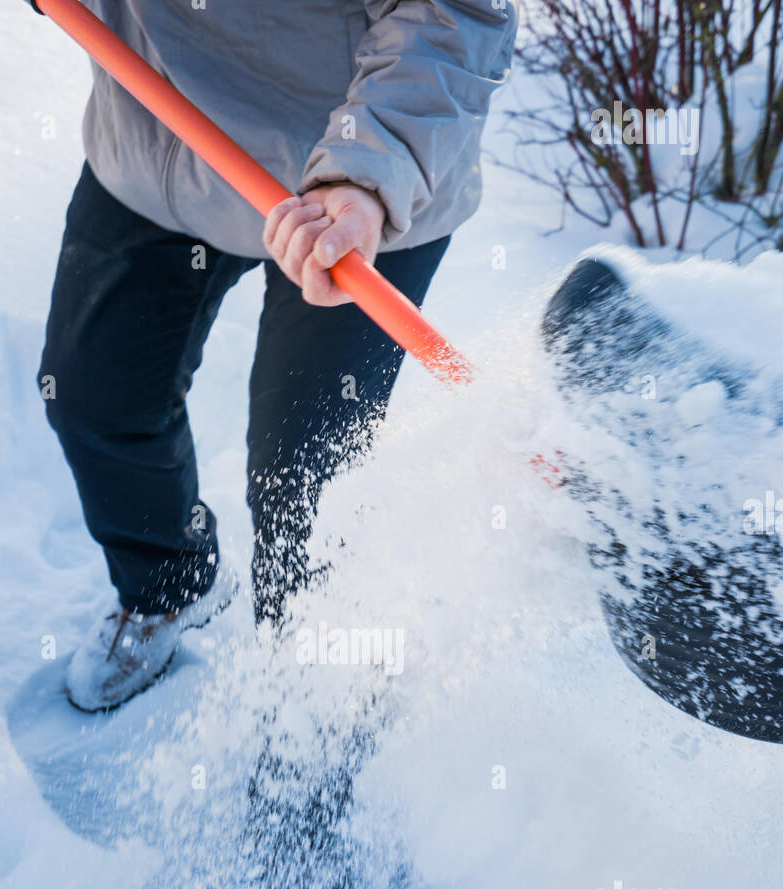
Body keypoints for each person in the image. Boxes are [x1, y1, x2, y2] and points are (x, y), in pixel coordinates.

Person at [27, 0, 517, 710]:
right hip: (154, 133)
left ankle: (305, 700)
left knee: (308, 485)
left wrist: (365, 173)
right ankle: (168, 584)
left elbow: (455, 15)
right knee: (91, 397)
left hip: (360, 186)